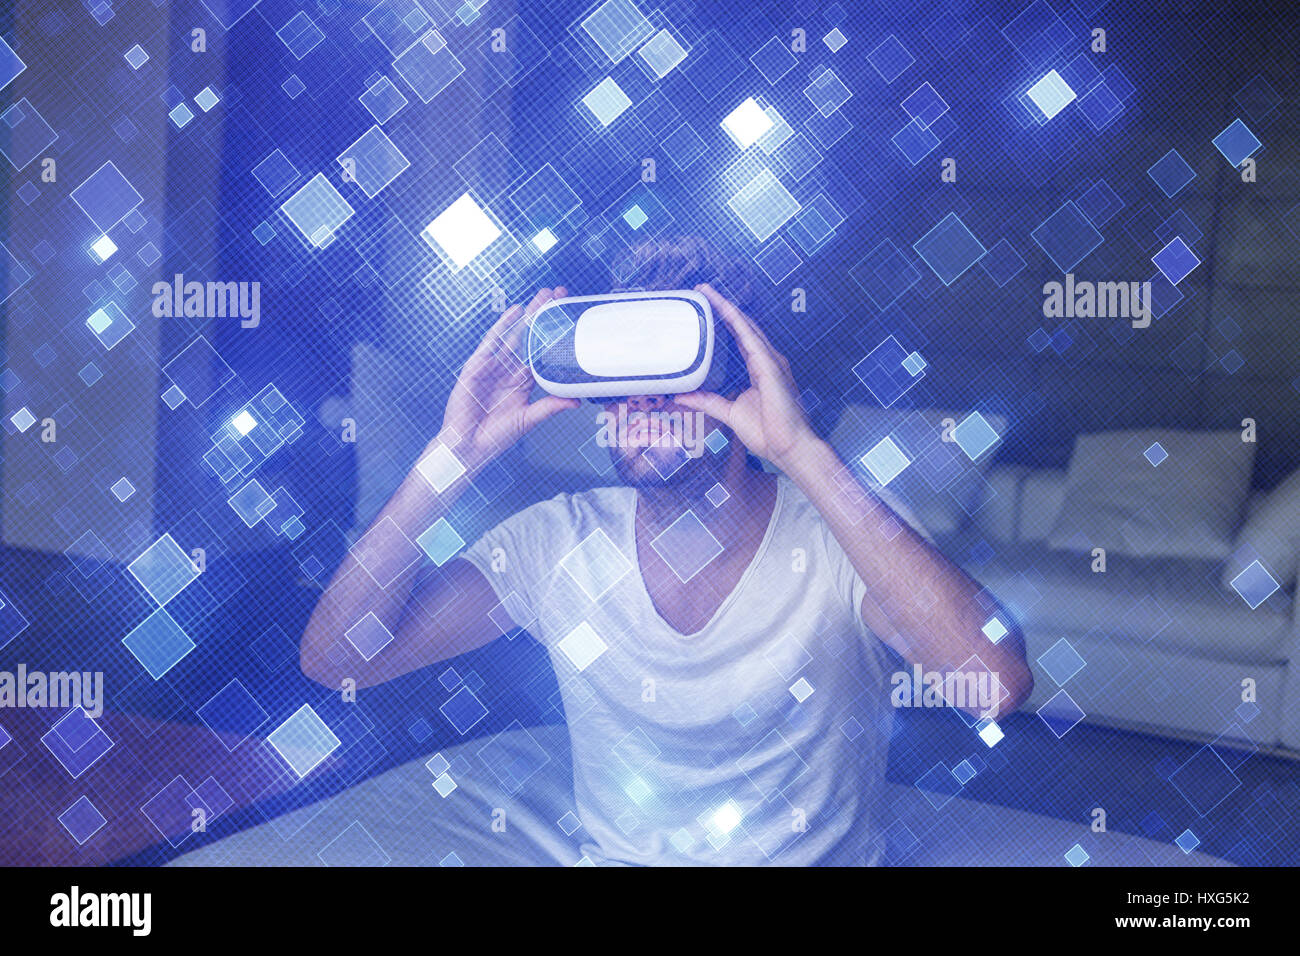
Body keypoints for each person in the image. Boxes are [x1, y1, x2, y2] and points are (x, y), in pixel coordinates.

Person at [300, 235, 1033, 865]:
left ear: (741, 381)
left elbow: (995, 686)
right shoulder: (556, 540)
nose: (642, 399)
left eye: (670, 366)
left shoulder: (842, 535)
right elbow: (339, 662)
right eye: (624, 372)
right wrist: (451, 455)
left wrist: (801, 451)